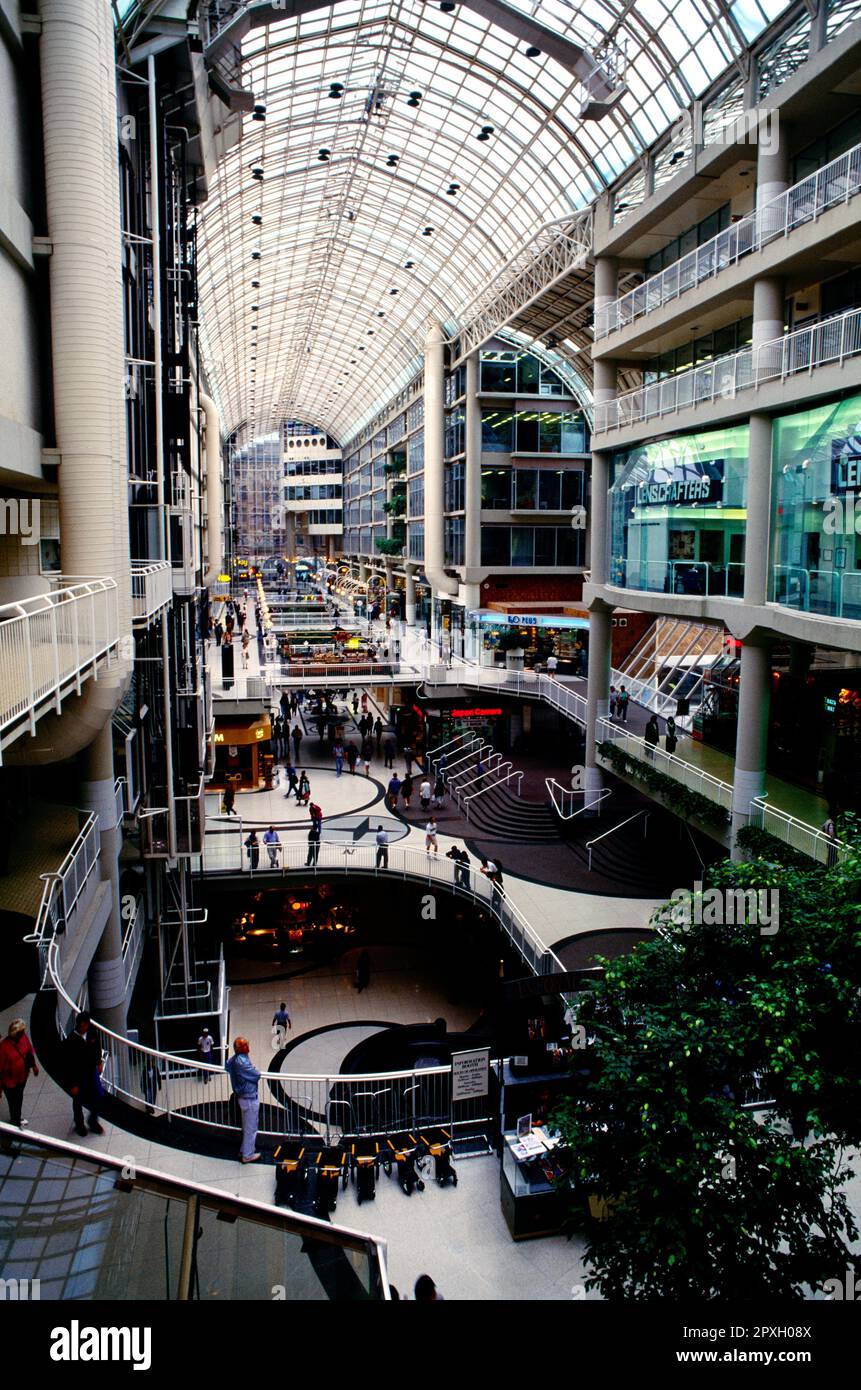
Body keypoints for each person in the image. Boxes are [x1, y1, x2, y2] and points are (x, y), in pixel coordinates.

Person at [64, 1012, 103, 1137]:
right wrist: (73, 1084)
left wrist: (99, 1062)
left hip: (91, 1071)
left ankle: (93, 1121)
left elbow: (97, 1046)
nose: (88, 1026)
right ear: (81, 1025)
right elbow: (68, 1064)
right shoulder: (71, 1040)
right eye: (86, 1024)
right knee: (78, 1100)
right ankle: (79, 1124)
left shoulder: (91, 1031)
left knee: (97, 1095)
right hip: (79, 1075)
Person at [225, 1037, 261, 1164]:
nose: (248, 1046)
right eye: (245, 1045)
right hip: (249, 1097)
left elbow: (227, 1066)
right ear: (240, 1049)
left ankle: (244, 1149)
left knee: (247, 1126)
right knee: (251, 1127)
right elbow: (256, 1075)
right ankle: (248, 1155)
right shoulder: (242, 1062)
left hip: (243, 1097)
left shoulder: (234, 1060)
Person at [0, 1018, 38, 1128]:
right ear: (15, 1033)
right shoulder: (3, 1047)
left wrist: (34, 1066)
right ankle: (15, 1122)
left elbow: (29, 1052)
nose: (23, 1033)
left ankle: (17, 1118)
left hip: (22, 1077)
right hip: (9, 1082)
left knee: (19, 1098)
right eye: (21, 1032)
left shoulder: (23, 1038)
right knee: (13, 1102)